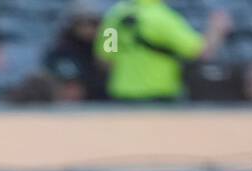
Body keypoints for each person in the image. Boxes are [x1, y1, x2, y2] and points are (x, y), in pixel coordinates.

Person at [97, 0, 231, 101]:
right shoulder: (161, 17)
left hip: (121, 95)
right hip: (159, 94)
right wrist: (217, 29)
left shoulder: (114, 16)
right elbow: (201, 52)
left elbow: (105, 59)